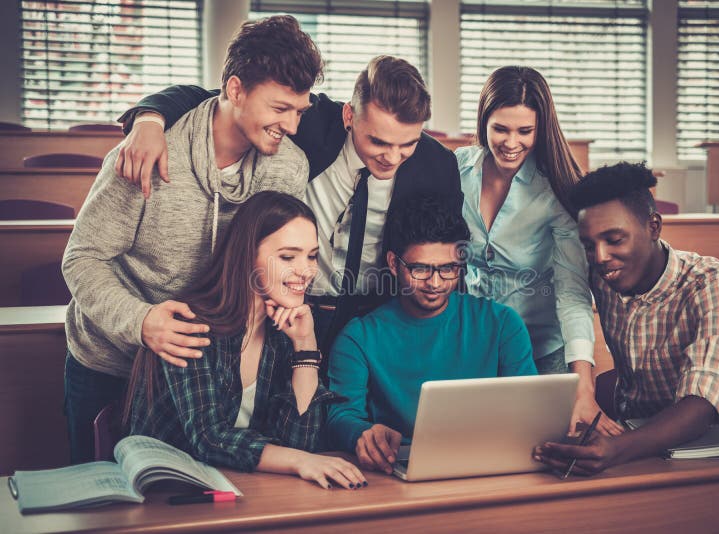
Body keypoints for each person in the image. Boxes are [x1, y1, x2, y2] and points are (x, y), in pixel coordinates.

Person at [62, 15, 323, 464]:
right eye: (280, 109)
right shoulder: (149, 153)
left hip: (206, 367)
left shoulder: (288, 167)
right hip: (111, 361)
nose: (293, 126)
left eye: (300, 111)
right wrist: (141, 320)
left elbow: (277, 255)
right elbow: (82, 258)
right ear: (236, 90)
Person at [114, 55, 463, 355]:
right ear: (349, 116)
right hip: (291, 309)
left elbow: (445, 249)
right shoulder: (310, 120)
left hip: (374, 317)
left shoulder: (437, 166)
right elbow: (213, 99)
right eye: (378, 141)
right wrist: (149, 119)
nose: (392, 157)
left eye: (408, 144)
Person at [534, 162, 719, 476]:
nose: (600, 257)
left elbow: (702, 405)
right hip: (636, 440)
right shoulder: (604, 275)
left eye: (615, 240)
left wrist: (617, 448)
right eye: (590, 246)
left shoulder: (717, 284)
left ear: (654, 227)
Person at [123, 191, 366, 490]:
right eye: (288, 256)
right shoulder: (190, 324)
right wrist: (299, 461)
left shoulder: (286, 331)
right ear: (247, 255)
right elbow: (209, 437)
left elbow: (300, 441)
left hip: (243, 491)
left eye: (312, 256)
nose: (306, 271)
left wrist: (306, 346)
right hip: (168, 494)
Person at [455, 66, 618, 435]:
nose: (511, 142)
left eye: (525, 131)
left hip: (542, 351)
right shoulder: (457, 170)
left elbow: (573, 295)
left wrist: (583, 387)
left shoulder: (556, 192)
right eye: (500, 129)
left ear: (541, 130)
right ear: (484, 123)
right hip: (476, 347)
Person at [326, 195, 538, 474]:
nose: (435, 283)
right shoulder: (358, 337)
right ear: (393, 263)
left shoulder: (502, 324)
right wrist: (362, 433)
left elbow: (531, 411)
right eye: (420, 268)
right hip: (399, 469)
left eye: (448, 269)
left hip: (493, 465)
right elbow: (341, 414)